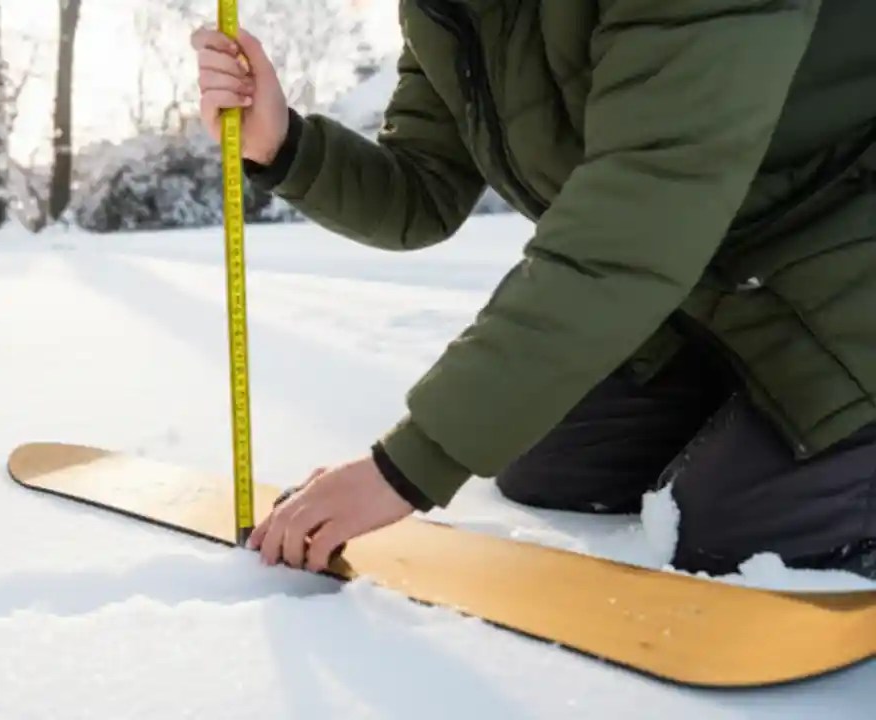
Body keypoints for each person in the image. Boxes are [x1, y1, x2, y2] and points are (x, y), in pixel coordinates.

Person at [189, 0, 876, 580]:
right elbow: (422, 187)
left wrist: (403, 468)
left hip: (843, 256)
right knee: (549, 468)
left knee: (726, 531)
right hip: (715, 280)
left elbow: (636, 212)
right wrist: (284, 144)